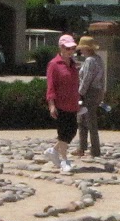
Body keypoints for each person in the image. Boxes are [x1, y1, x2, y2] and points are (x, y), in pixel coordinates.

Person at [45, 33, 80, 174]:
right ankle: (64, 161)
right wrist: (51, 104)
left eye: (72, 48)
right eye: (67, 48)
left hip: (73, 104)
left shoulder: (73, 65)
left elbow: (75, 85)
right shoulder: (54, 64)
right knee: (63, 133)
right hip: (61, 104)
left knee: (71, 131)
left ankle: (53, 150)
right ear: (61, 47)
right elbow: (51, 86)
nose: (70, 51)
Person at [74, 35, 106, 160]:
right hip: (97, 91)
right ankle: (82, 147)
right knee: (82, 118)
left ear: (86, 48)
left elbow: (87, 78)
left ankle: (94, 150)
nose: (80, 50)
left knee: (88, 120)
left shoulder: (89, 61)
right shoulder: (98, 59)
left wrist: (80, 92)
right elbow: (102, 78)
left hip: (88, 92)